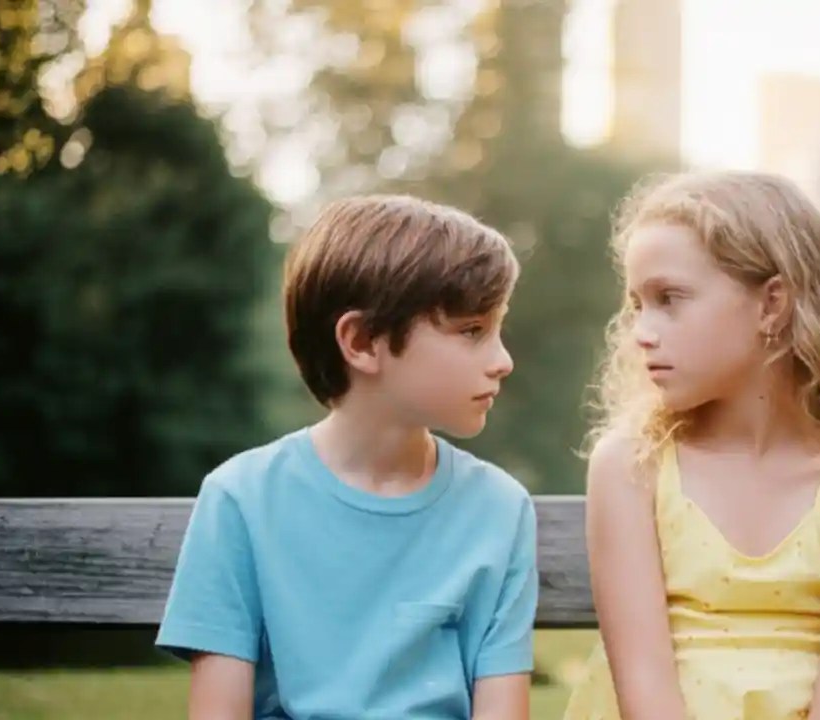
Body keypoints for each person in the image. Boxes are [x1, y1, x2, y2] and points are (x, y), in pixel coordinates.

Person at [156, 194, 538, 720]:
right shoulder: (240, 499)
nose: (503, 360)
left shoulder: (500, 509)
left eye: (497, 329)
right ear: (361, 341)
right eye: (472, 331)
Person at [563, 172, 820, 720]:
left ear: (771, 304)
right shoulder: (630, 467)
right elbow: (644, 691)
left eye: (669, 299)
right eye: (637, 304)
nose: (641, 331)